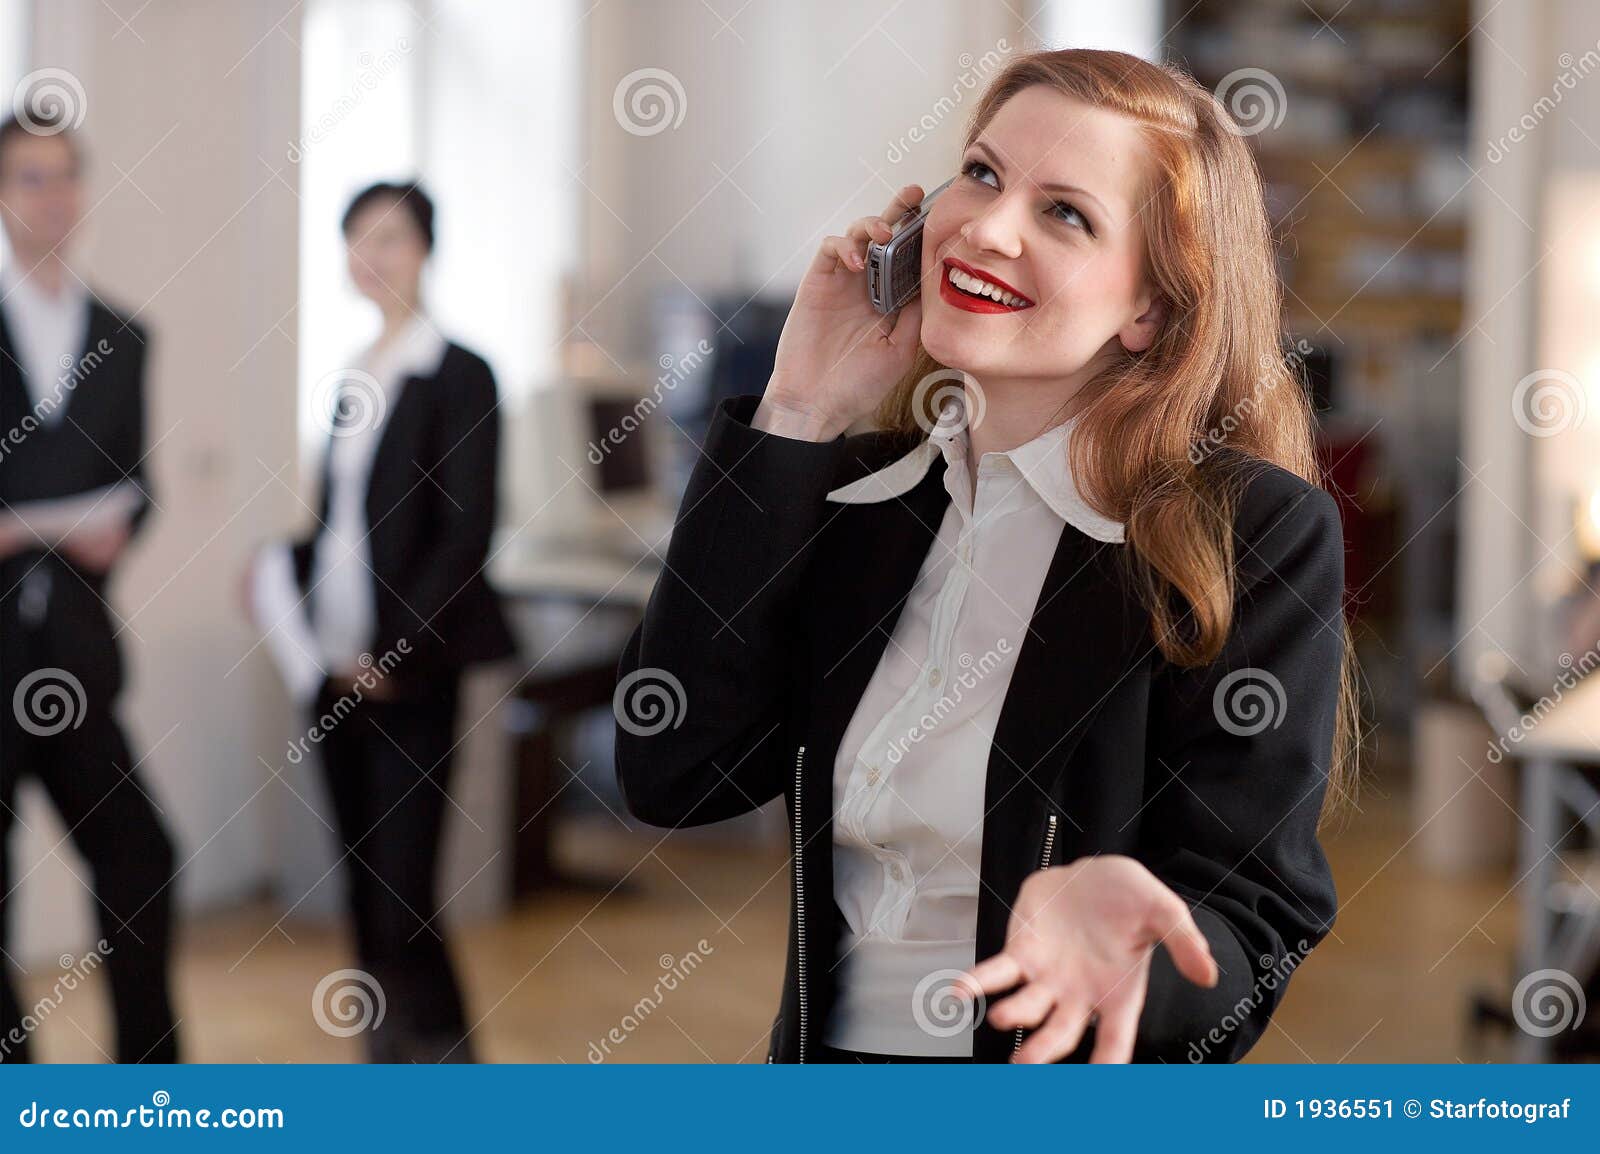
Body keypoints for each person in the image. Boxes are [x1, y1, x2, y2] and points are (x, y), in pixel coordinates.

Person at [614, 49, 1358, 1064]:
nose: (988, 228)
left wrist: (1129, 952)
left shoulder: (1246, 531)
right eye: (982, 173)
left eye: (1065, 214)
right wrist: (797, 411)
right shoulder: (861, 500)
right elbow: (672, 768)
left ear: (1147, 307)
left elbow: (1255, 921)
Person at [263, 180, 514, 1063]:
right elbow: (339, 528)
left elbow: (465, 532)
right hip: (329, 668)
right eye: (356, 237)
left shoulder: (459, 373)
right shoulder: (353, 377)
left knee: (405, 888)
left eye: (392, 236)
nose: (372, 254)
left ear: (426, 250)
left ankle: (433, 1070)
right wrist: (276, 575)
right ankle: (405, 1067)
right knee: (369, 888)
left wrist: (392, 649)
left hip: (407, 672)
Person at [0, 111, 177, 1063]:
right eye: (30, 178)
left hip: (77, 649)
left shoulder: (124, 335)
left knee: (143, 858)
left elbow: (135, 482)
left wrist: (120, 522)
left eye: (65, 176)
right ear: (1, 191)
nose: (51, 196)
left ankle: (154, 1086)